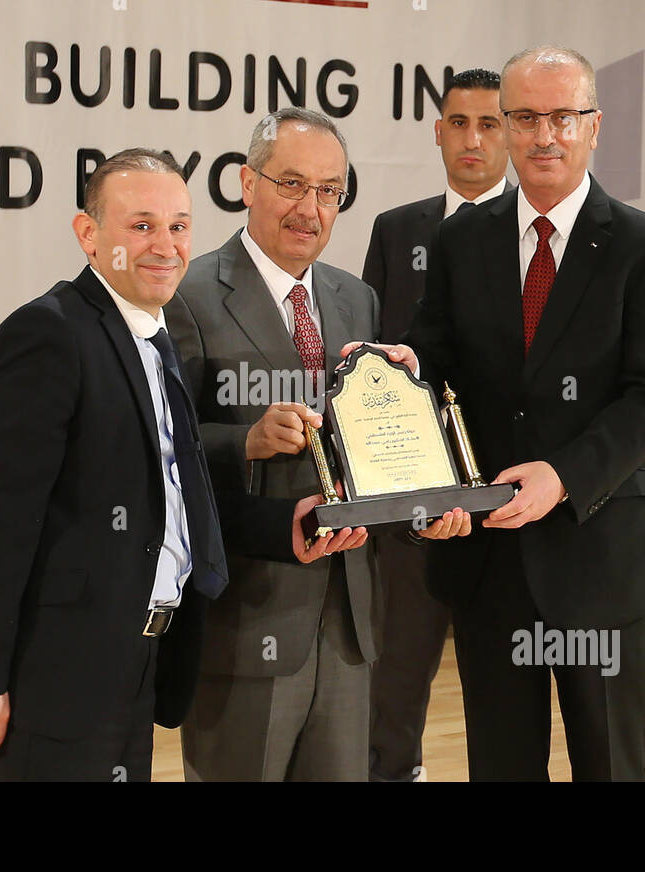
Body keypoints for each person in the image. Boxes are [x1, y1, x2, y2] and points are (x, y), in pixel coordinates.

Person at [0, 148, 365, 782]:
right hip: (58, 670)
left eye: (179, 226)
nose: (165, 245)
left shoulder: (152, 334)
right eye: (141, 226)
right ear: (89, 235)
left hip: (139, 661)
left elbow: (173, 497)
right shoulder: (48, 333)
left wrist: (285, 527)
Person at [347, 46, 645, 780]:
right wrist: (401, 375)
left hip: (599, 560)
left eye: (563, 117)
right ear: (505, 127)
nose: (545, 136)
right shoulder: (461, 238)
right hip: (487, 564)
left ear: (593, 127)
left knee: (609, 767)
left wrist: (561, 477)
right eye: (527, 117)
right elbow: (436, 358)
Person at [166, 108, 470, 781]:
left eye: (330, 190)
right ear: (247, 184)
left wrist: (423, 507)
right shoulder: (186, 295)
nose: (311, 208)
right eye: (292, 184)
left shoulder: (354, 299)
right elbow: (163, 451)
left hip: (352, 623)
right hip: (246, 625)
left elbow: (366, 455)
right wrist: (243, 439)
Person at [361, 67, 513, 783]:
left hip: (511, 500)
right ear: (438, 131)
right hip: (410, 499)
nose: (474, 139)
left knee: (507, 696)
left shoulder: (545, 236)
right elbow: (371, 366)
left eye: (490, 123)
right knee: (395, 680)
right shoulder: (397, 231)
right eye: (459, 123)